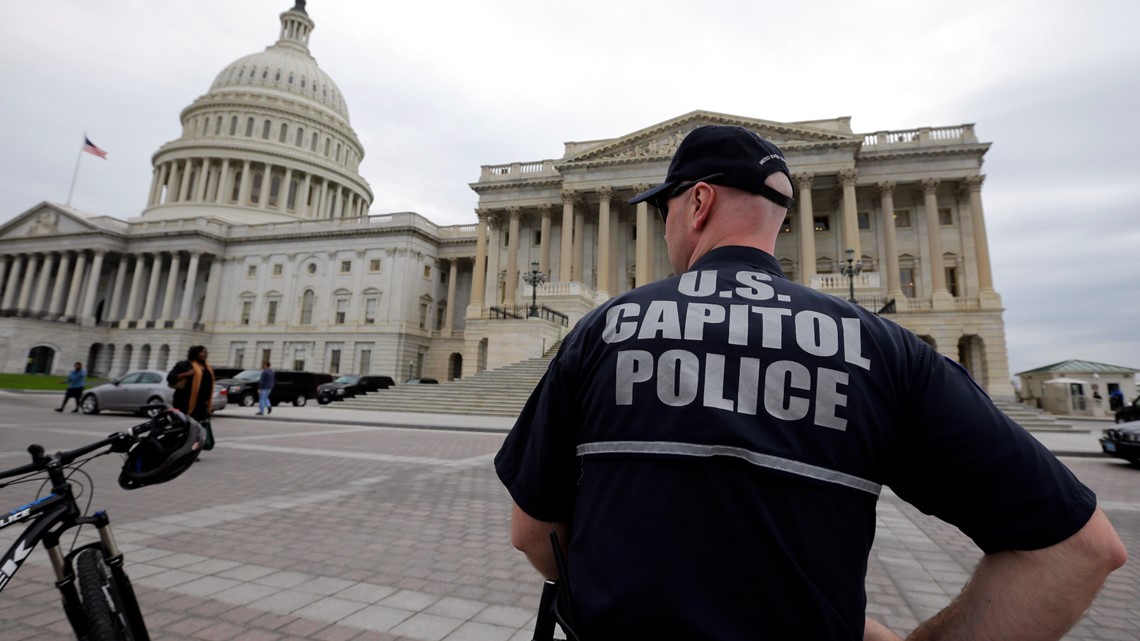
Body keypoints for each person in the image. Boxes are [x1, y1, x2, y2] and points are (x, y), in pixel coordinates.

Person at [494, 125, 1126, 641]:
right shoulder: (885, 349)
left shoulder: (607, 328)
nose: (661, 229)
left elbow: (533, 533)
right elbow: (1082, 549)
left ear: (698, 202)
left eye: (663, 209)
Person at [167, 345, 216, 447]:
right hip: (184, 401)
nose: (204, 354)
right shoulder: (184, 365)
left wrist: (208, 402)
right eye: (202, 352)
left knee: (196, 428)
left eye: (206, 352)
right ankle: (176, 447)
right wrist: (187, 374)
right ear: (195, 353)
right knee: (182, 426)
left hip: (201, 404)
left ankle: (191, 450)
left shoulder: (207, 367)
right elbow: (170, 378)